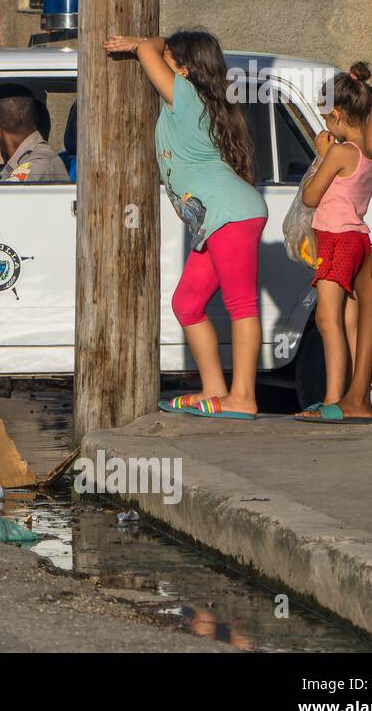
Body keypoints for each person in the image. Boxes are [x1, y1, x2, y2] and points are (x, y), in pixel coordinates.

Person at [104, 30, 267, 419]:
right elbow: (158, 51)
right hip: (216, 219)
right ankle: (214, 389)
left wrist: (139, 42)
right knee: (187, 303)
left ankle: (242, 396)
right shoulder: (188, 101)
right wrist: (158, 46)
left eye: (171, 60)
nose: (162, 63)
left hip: (231, 212)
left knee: (241, 304)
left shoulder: (187, 96)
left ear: (185, 70)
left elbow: (148, 49)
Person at [298, 62, 372, 422]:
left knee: (326, 319)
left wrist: (321, 154)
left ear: (336, 115)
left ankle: (333, 398)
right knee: (350, 321)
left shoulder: (339, 153)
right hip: (359, 238)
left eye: (326, 119)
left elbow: (310, 197)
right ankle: (358, 393)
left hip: (335, 240)